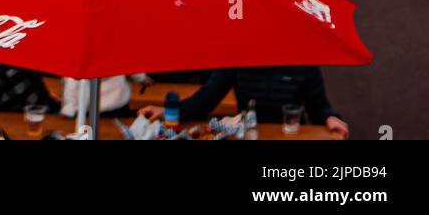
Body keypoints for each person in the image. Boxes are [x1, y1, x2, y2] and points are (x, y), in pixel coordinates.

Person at [140, 65, 348, 136]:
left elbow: (320, 107)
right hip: (250, 133)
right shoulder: (239, 58)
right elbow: (204, 101)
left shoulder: (304, 64)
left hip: (289, 135)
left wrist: (330, 117)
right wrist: (168, 111)